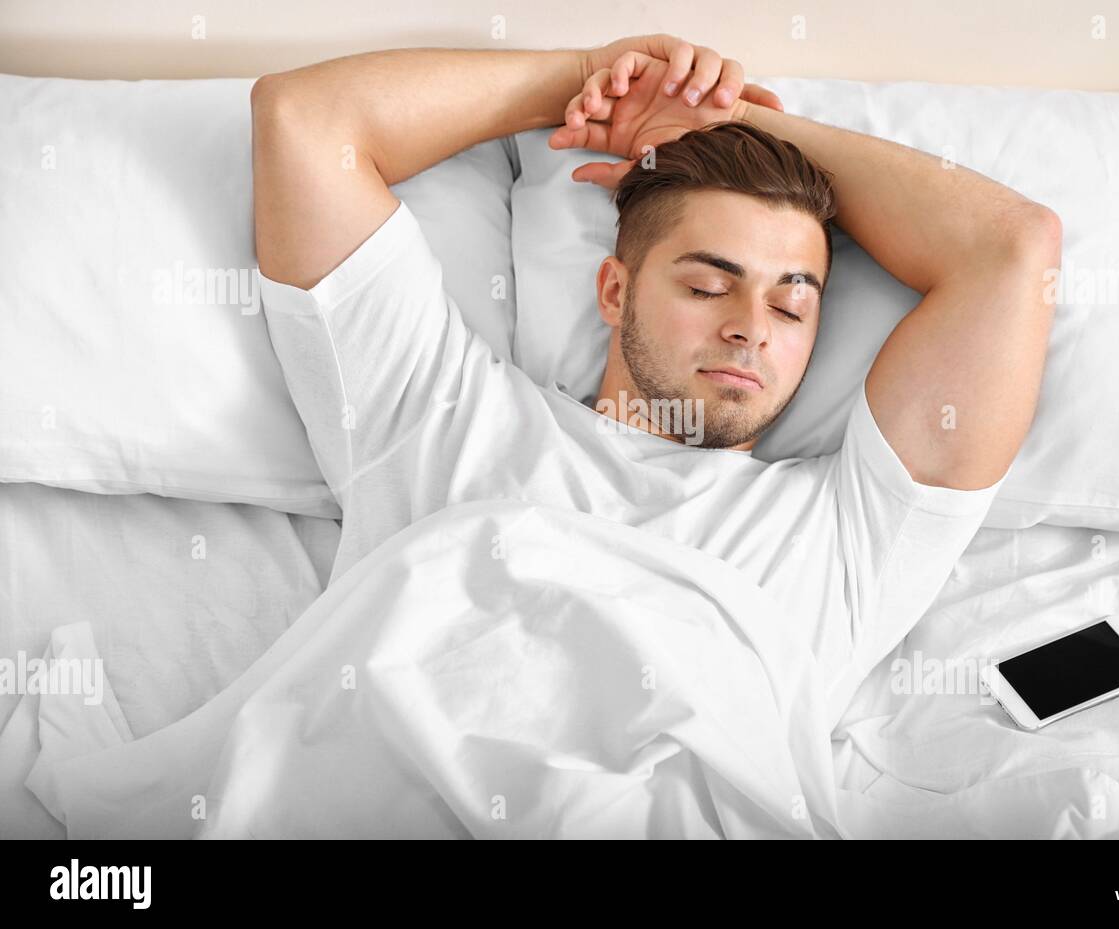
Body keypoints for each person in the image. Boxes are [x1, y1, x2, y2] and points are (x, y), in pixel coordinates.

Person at [249, 34, 1061, 704]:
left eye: (790, 305)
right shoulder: (442, 417)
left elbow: (1013, 250)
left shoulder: (847, 537)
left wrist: (733, 123)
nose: (750, 329)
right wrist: (584, 76)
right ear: (614, 290)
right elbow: (304, 121)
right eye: (707, 286)